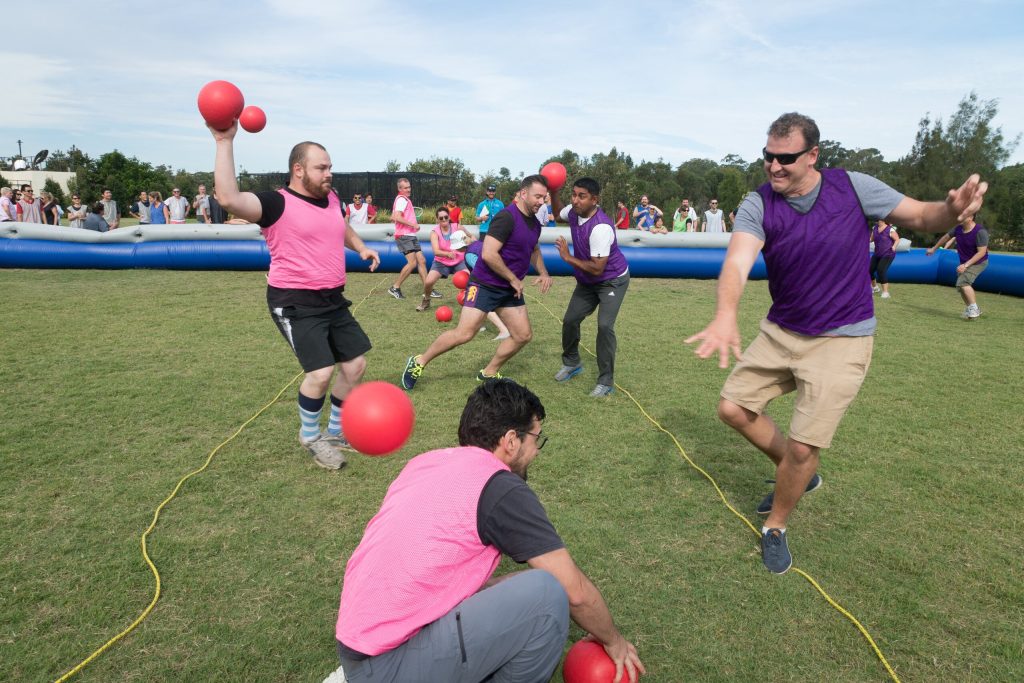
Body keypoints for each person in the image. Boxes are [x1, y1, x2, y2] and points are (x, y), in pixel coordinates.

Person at [685, 112, 987, 574]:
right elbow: (738, 260)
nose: (774, 166)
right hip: (782, 330)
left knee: (805, 448)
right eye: (768, 156)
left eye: (785, 158)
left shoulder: (853, 187)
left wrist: (952, 209)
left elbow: (925, 215)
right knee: (733, 409)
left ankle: (777, 525)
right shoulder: (758, 203)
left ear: (812, 155)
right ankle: (799, 475)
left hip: (843, 338)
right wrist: (726, 313)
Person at [333, 379, 646, 683]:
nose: (537, 450)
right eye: (536, 438)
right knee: (548, 594)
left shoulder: (426, 462)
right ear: (511, 440)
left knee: (515, 585)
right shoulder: (500, 487)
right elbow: (575, 593)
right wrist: (613, 641)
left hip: (363, 650)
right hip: (388, 664)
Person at [209, 124, 381, 470]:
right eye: (322, 168)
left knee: (355, 364)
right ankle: (310, 436)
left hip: (332, 299)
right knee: (320, 373)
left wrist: (361, 247)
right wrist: (224, 141)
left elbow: (340, 224)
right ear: (298, 170)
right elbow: (228, 199)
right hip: (294, 301)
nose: (329, 173)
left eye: (330, 167)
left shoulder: (331, 199)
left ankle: (335, 432)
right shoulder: (276, 203)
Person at [402, 175, 553, 390]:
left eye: (544, 197)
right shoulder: (506, 218)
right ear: (523, 193)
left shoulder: (534, 223)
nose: (541, 201)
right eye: (537, 196)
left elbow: (534, 248)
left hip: (509, 289)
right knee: (464, 334)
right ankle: (419, 361)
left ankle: (489, 372)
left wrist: (544, 272)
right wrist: (513, 279)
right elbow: (489, 254)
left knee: (523, 335)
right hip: (485, 284)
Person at [551, 177, 630, 398]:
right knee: (570, 320)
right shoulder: (575, 212)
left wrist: (567, 257)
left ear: (594, 200)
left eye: (581, 196)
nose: (575, 200)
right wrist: (554, 191)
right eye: (574, 194)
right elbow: (558, 215)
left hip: (611, 280)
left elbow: (597, 268)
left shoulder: (601, 228)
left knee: (605, 326)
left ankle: (605, 382)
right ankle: (572, 363)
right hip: (587, 281)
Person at [449, 230, 512, 340]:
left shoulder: (469, 254)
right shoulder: (478, 243)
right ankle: (479, 325)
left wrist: (469, 287)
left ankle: (504, 330)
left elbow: (481, 270)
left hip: (491, 280)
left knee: (482, 305)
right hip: (501, 275)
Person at [926, 214, 989, 319]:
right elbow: (946, 237)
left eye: (963, 216)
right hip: (965, 262)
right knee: (960, 286)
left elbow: (981, 253)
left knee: (963, 282)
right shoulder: (958, 229)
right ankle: (971, 308)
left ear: (971, 217)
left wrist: (965, 265)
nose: (959, 217)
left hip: (978, 262)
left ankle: (974, 308)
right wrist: (934, 248)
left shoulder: (980, 232)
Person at [387, 177, 432, 301]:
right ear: (399, 189)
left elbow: (393, 217)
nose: (408, 189)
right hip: (404, 235)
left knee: (421, 260)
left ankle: (428, 289)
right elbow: (397, 217)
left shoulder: (402, 200)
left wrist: (397, 218)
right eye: (405, 188)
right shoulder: (402, 199)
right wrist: (413, 224)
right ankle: (395, 287)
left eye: (409, 187)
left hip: (410, 235)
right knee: (412, 263)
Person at [415, 206, 468, 312]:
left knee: (470, 278)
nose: (444, 220)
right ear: (437, 220)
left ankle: (470, 302)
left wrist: (471, 243)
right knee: (428, 282)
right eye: (441, 218)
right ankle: (426, 300)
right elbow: (436, 251)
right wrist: (447, 254)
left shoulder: (457, 227)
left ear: (449, 217)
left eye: (445, 217)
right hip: (441, 261)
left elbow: (470, 237)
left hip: (459, 260)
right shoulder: (434, 232)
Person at [869, 219, 899, 299]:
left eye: (877, 219)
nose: (876, 220)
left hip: (888, 254)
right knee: (869, 269)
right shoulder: (875, 228)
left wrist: (894, 246)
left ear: (883, 220)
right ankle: (875, 287)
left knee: (881, 270)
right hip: (877, 253)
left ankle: (886, 293)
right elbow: (871, 239)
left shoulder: (890, 229)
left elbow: (897, 239)